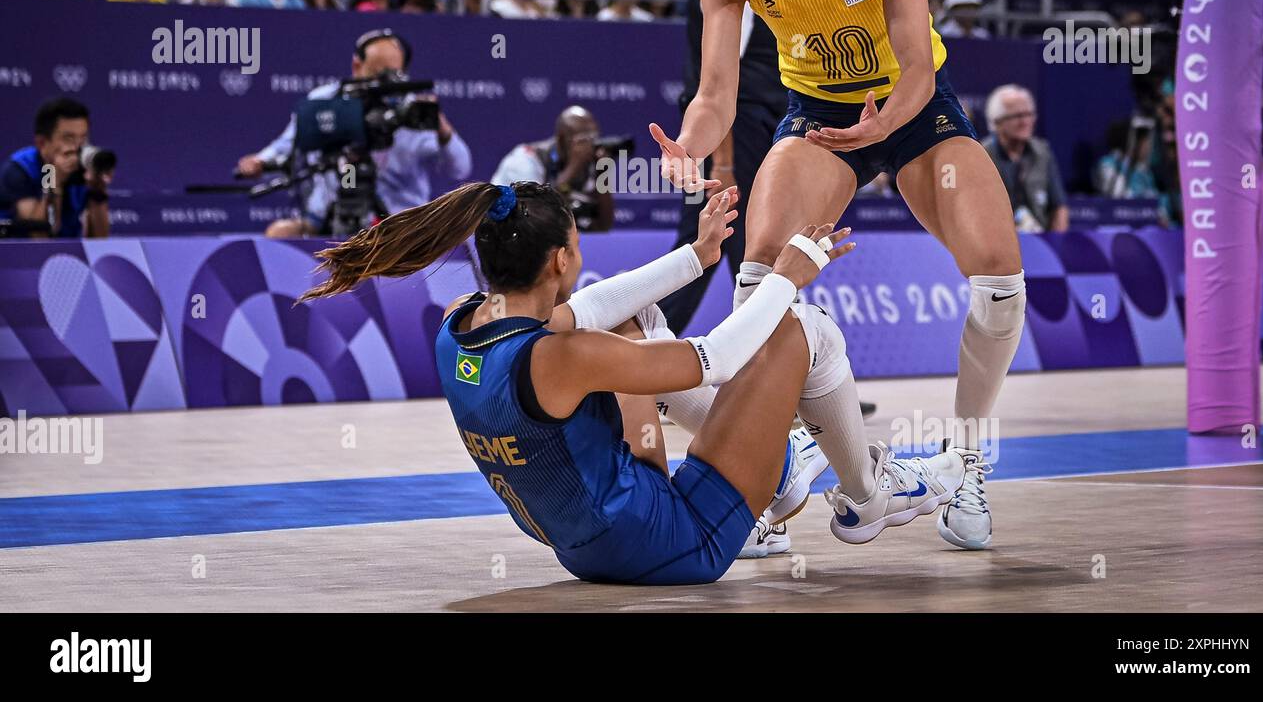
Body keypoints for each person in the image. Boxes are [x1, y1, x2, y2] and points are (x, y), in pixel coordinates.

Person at [651, 0, 1025, 552]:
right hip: (820, 116)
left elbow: (917, 64)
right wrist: (690, 143)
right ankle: (762, 475)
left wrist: (888, 119)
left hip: (912, 108)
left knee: (1000, 287)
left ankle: (966, 461)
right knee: (759, 279)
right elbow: (715, 92)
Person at [299, 182, 965, 583]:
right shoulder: (558, 361)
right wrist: (791, 270)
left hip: (586, 546)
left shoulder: (462, 324)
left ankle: (786, 471)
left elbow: (590, 309)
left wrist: (696, 258)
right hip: (679, 542)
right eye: (578, 244)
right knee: (803, 327)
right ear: (561, 258)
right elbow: (718, 358)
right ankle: (865, 496)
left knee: (629, 323)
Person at [235, 29, 472, 238]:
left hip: (399, 222)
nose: (384, 84)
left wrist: (441, 127)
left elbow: (460, 168)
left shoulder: (412, 111)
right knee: (280, 233)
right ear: (357, 66)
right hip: (329, 212)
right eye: (378, 74)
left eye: (394, 75)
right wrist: (260, 160)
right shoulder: (326, 101)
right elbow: (289, 142)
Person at [0, 97, 111, 239]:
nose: (77, 147)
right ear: (42, 143)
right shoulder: (19, 169)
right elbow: (39, 236)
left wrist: (98, 192)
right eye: (69, 138)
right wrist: (54, 180)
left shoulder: (82, 168)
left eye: (83, 138)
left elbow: (99, 240)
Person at [491, 106, 613, 231]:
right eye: (583, 140)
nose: (589, 146)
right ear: (561, 139)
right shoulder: (526, 159)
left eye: (594, 139)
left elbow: (603, 226)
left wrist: (603, 175)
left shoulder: (587, 164)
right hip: (507, 232)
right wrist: (573, 167)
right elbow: (532, 216)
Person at [982, 84, 1069, 232]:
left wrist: (1056, 244)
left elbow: (1059, 206)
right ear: (997, 122)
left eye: (1029, 114)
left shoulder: (1043, 152)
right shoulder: (981, 155)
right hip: (997, 239)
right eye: (1017, 116)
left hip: (1040, 240)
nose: (1025, 121)